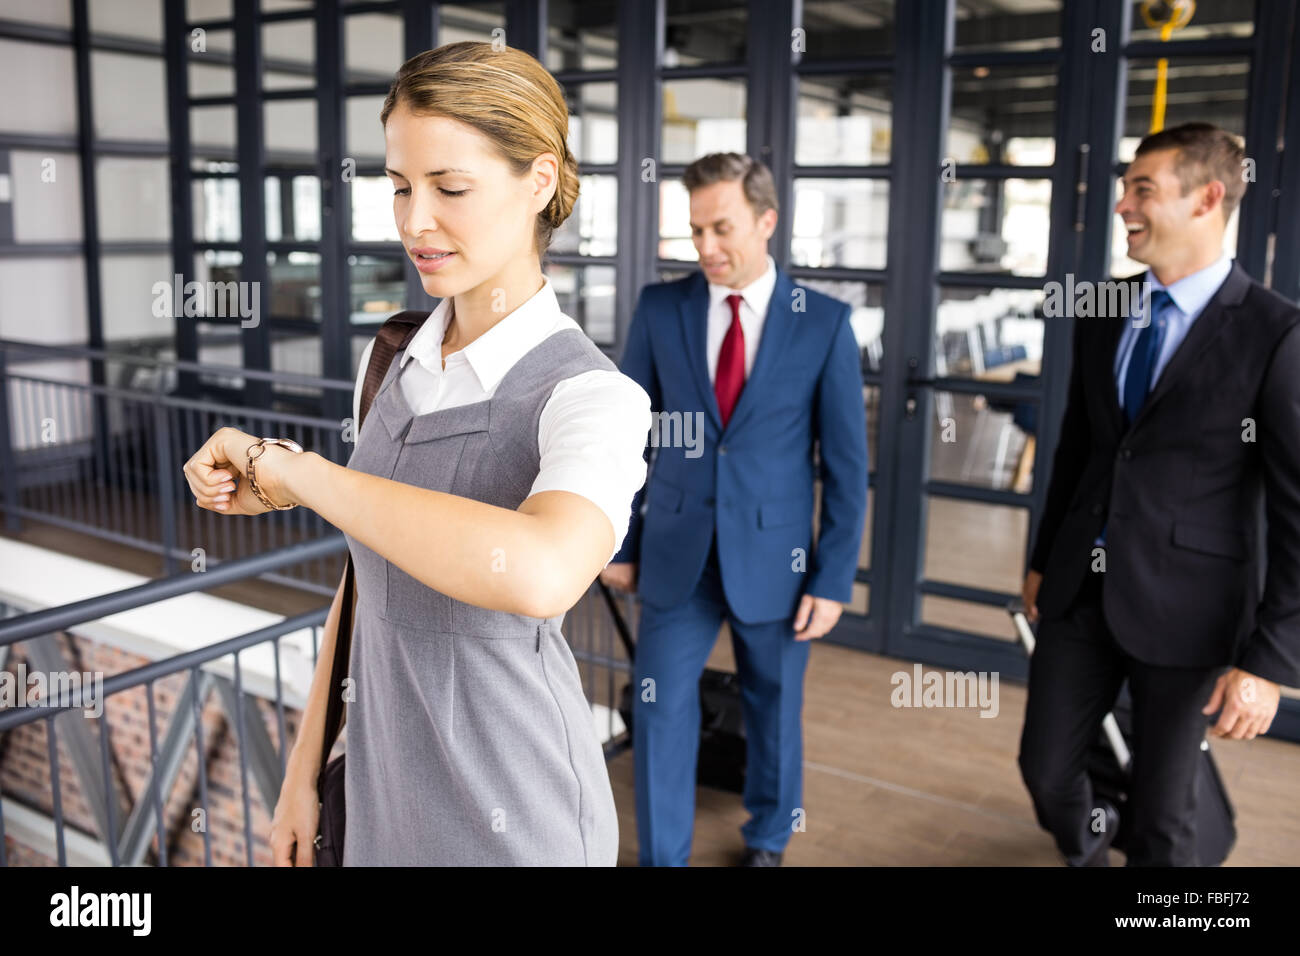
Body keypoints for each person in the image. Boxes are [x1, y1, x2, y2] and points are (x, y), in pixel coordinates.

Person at [181, 41, 651, 866]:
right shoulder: (394, 359)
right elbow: (364, 584)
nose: (413, 221)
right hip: (379, 791)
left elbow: (540, 571)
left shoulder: (590, 398)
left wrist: (301, 474)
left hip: (519, 812)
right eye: (400, 186)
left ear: (539, 181)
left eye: (450, 188)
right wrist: (304, 769)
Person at [1019, 122, 1300, 866]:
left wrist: (1270, 661)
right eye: (1125, 189)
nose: (1122, 206)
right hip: (1081, 590)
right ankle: (1091, 847)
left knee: (1162, 817)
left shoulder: (1276, 332)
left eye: (1142, 189)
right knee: (1046, 773)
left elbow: (1297, 510)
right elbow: (1079, 449)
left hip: (1193, 612)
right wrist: (1045, 558)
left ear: (1208, 198)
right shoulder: (1105, 306)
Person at [600, 153, 869, 866]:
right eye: (695, 231)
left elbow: (846, 467)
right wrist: (621, 542)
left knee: (774, 705)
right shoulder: (661, 309)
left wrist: (833, 579)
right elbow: (631, 435)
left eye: (723, 228)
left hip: (777, 558)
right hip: (676, 550)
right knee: (659, 706)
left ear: (767, 221)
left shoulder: (825, 324)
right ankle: (663, 856)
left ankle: (770, 837)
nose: (707, 247)